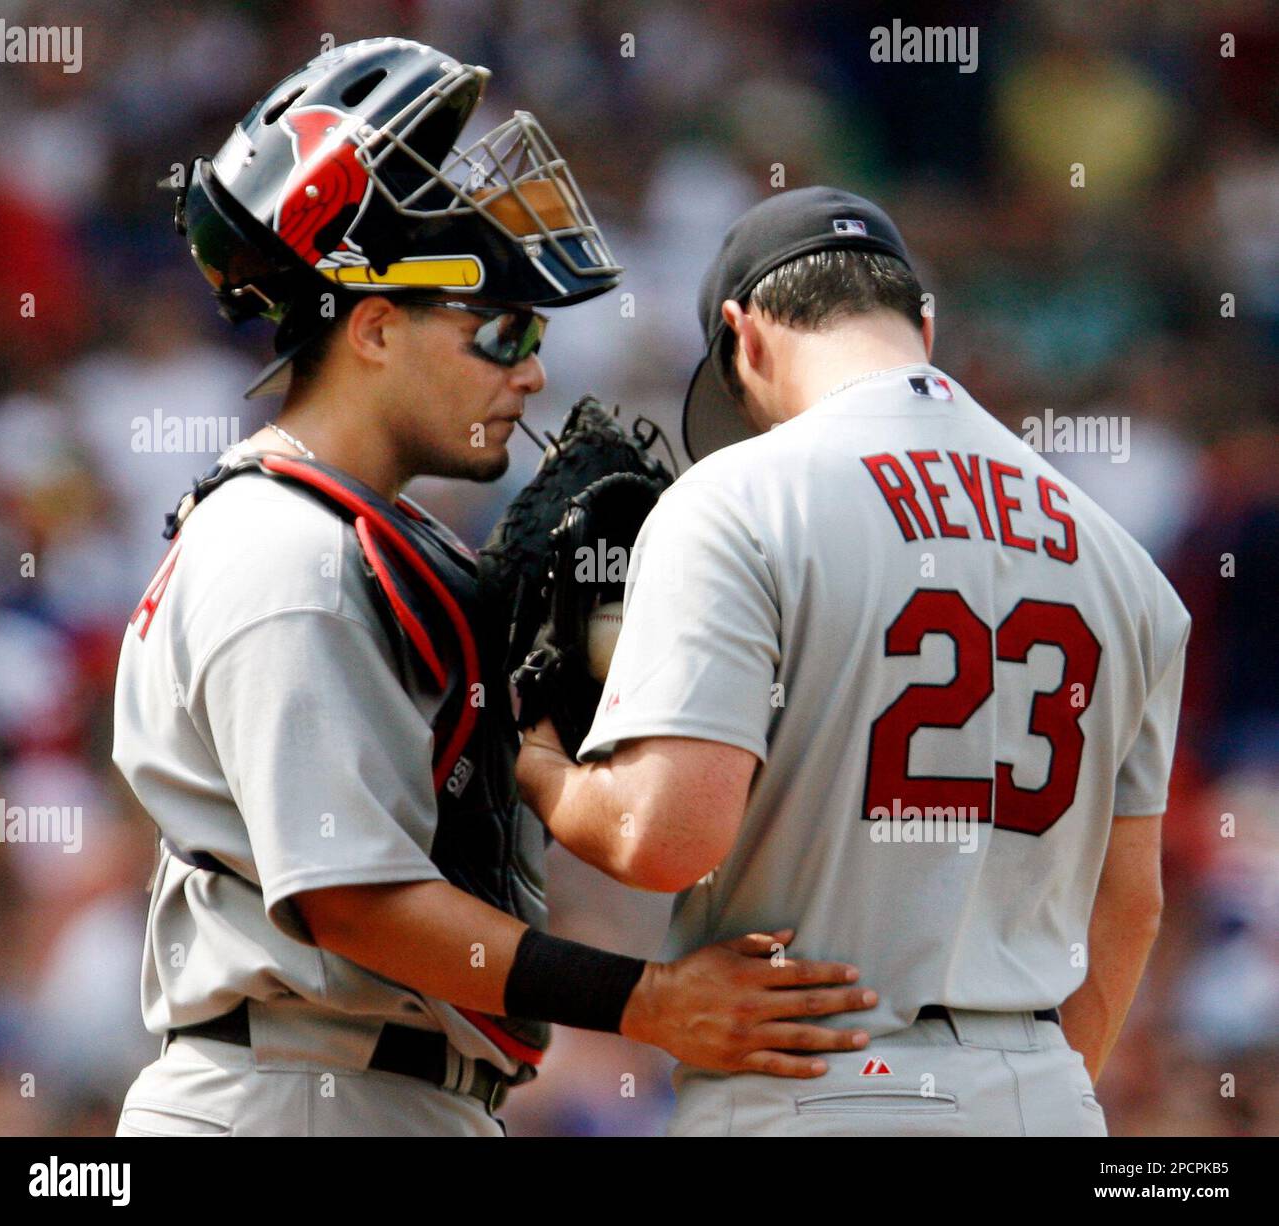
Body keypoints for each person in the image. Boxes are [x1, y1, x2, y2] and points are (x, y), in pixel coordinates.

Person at [111, 43, 874, 1139]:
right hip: (297, 1096)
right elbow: (352, 899)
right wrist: (651, 1001)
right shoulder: (286, 552)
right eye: (501, 330)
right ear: (372, 327)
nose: (532, 370)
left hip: (382, 1094)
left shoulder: (371, 540)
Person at [516, 185, 1187, 1137]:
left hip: (819, 1081)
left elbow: (666, 835)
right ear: (924, 323)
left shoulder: (738, 499)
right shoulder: (1125, 561)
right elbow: (1133, 907)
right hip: (1046, 1098)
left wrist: (535, 765)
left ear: (744, 340)